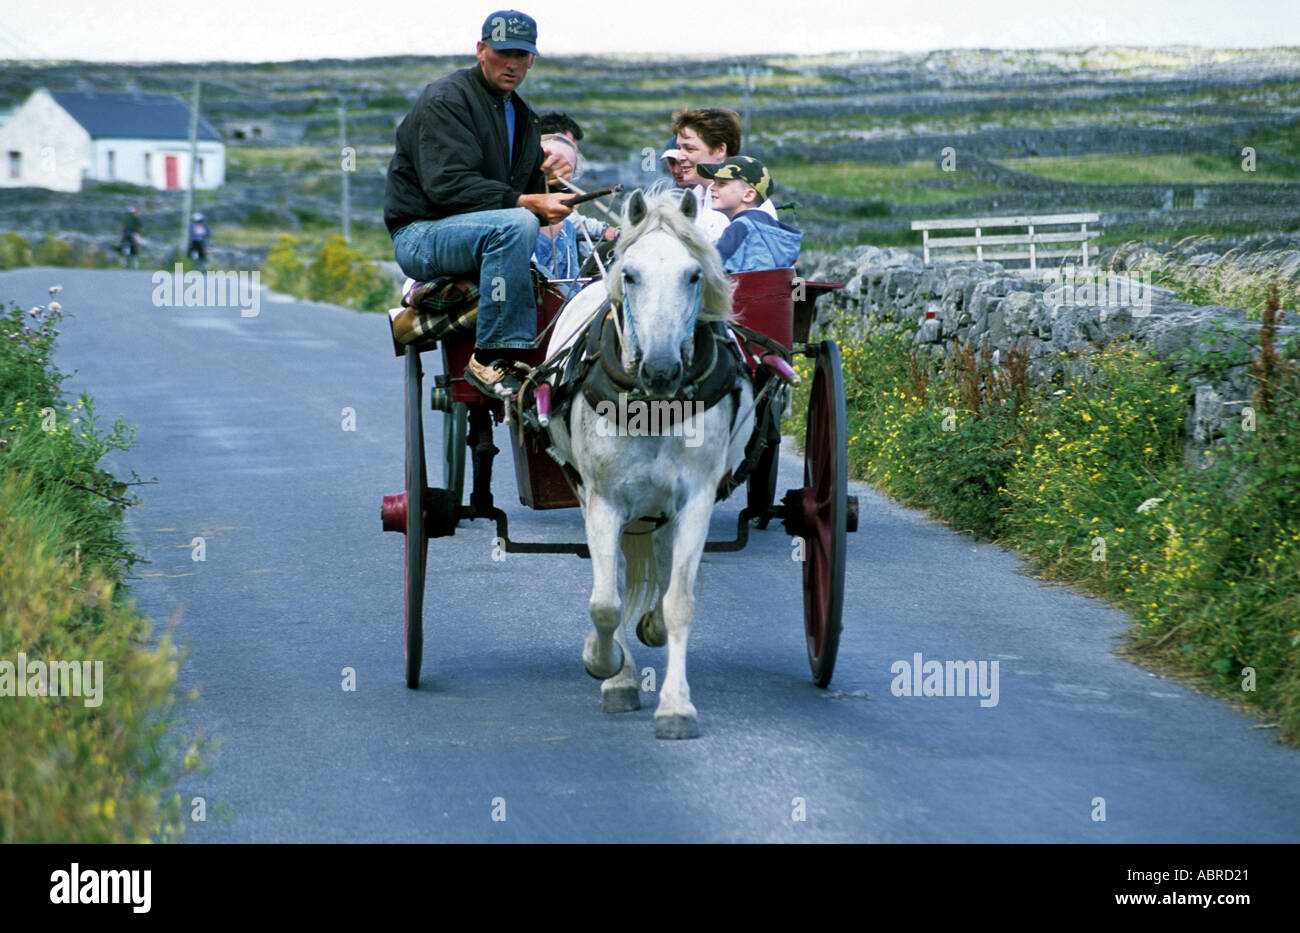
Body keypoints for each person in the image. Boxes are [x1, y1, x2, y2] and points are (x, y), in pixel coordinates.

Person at [383, 9, 573, 396]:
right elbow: (448, 187)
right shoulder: (446, 99)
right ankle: (490, 358)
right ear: (480, 50)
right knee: (518, 223)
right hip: (421, 234)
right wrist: (529, 201)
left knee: (532, 232)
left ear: (532, 60)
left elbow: (514, 191)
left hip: (476, 233)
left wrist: (545, 182)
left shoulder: (524, 117)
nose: (512, 64)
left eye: (521, 56)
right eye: (503, 53)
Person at [531, 112, 617, 298]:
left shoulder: (564, 199)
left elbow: (576, 230)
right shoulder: (524, 203)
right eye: (568, 148)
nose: (571, 160)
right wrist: (605, 230)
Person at [668, 108, 780, 242]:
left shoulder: (747, 200)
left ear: (720, 150)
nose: (680, 157)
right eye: (679, 148)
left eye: (689, 148)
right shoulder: (693, 197)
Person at [697, 156, 802, 274]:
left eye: (722, 183)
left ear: (748, 195)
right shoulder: (771, 228)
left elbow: (709, 267)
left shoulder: (740, 228)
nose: (712, 188)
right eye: (714, 182)